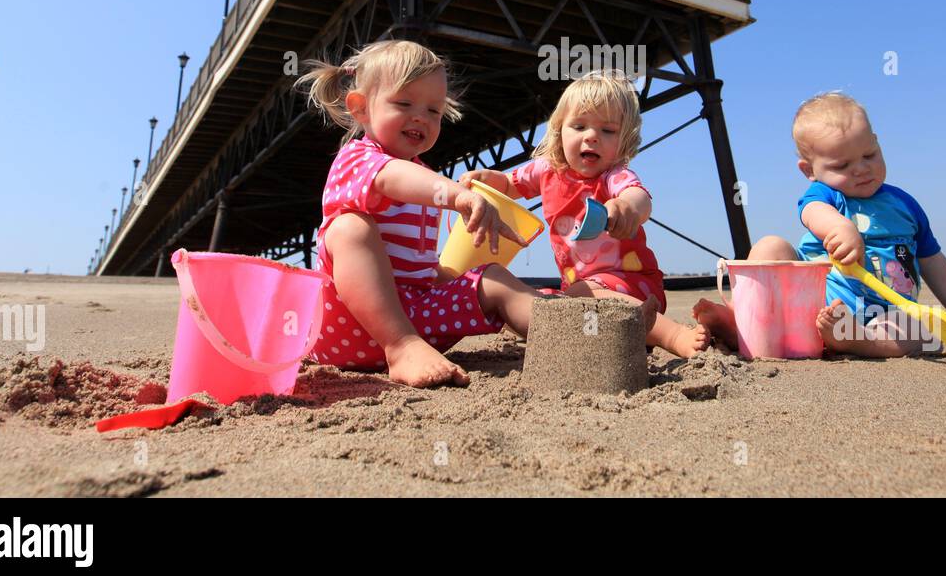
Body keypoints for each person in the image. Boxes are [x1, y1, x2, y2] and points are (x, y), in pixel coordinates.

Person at [296, 39, 547, 388]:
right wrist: (457, 194)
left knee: (493, 278)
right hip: (349, 325)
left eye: (434, 110)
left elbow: (421, 272)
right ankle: (399, 347)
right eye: (404, 102)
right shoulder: (357, 159)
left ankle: (572, 334)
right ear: (360, 107)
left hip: (418, 320)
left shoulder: (422, 174)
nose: (421, 117)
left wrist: (467, 278)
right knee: (349, 228)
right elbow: (391, 177)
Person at [694, 92, 946, 357]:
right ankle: (742, 318)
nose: (861, 169)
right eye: (842, 165)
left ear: (877, 143)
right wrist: (840, 228)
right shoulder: (828, 196)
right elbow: (811, 211)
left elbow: (932, 260)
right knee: (770, 245)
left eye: (869, 154)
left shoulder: (905, 205)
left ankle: (856, 340)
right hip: (809, 307)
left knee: (921, 330)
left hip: (881, 315)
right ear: (809, 170)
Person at [460, 71, 709, 359]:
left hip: (633, 286)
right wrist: (486, 178)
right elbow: (509, 185)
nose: (591, 136)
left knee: (580, 296)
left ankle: (672, 334)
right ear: (559, 131)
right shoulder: (545, 170)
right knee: (538, 305)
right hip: (580, 292)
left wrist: (627, 207)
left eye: (608, 131)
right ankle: (613, 337)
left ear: (624, 140)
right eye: (579, 126)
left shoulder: (612, 176)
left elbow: (639, 197)